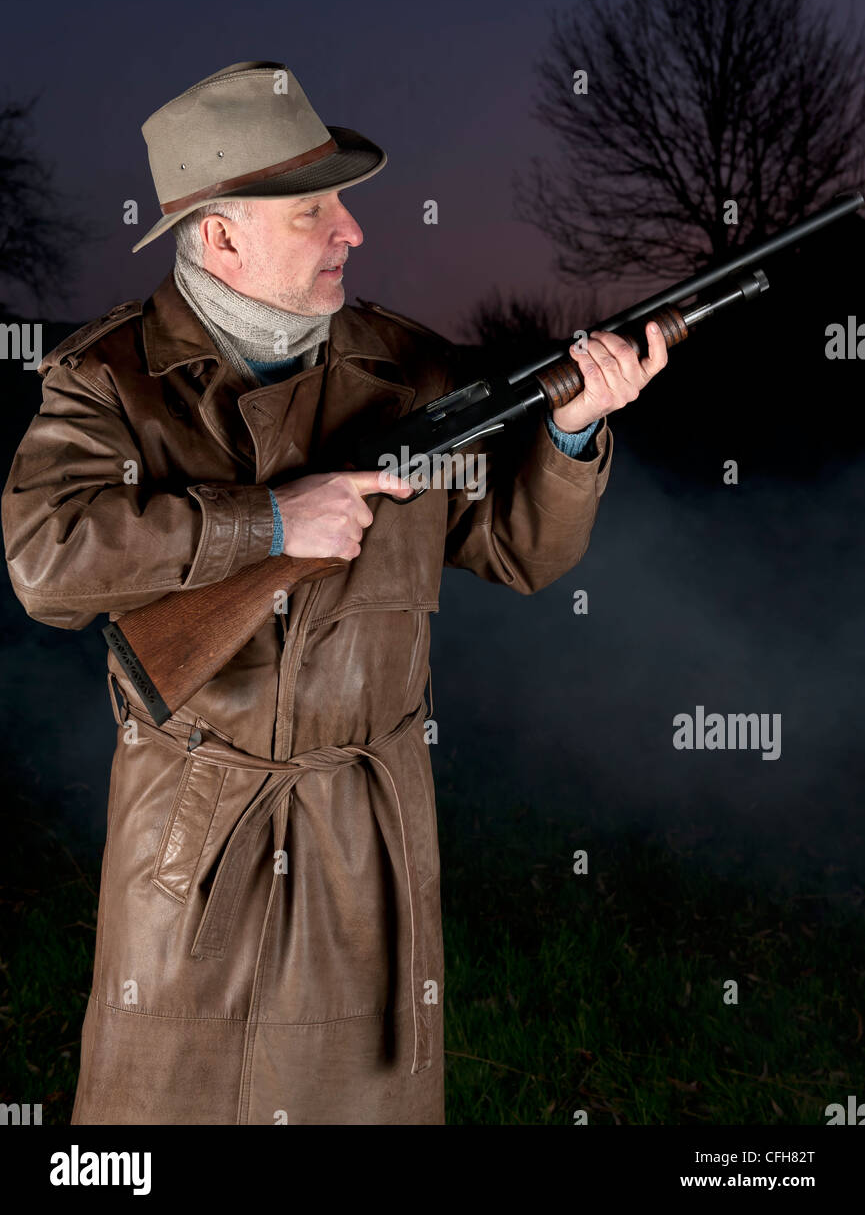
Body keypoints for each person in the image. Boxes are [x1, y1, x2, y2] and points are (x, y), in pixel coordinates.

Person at [1, 60, 667, 1125]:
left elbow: (516, 549)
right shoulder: (108, 379)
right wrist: (267, 523)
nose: (352, 231)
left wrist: (573, 427)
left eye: (342, 204)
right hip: (193, 838)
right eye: (313, 211)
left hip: (366, 833)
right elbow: (48, 559)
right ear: (221, 236)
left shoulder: (409, 367)